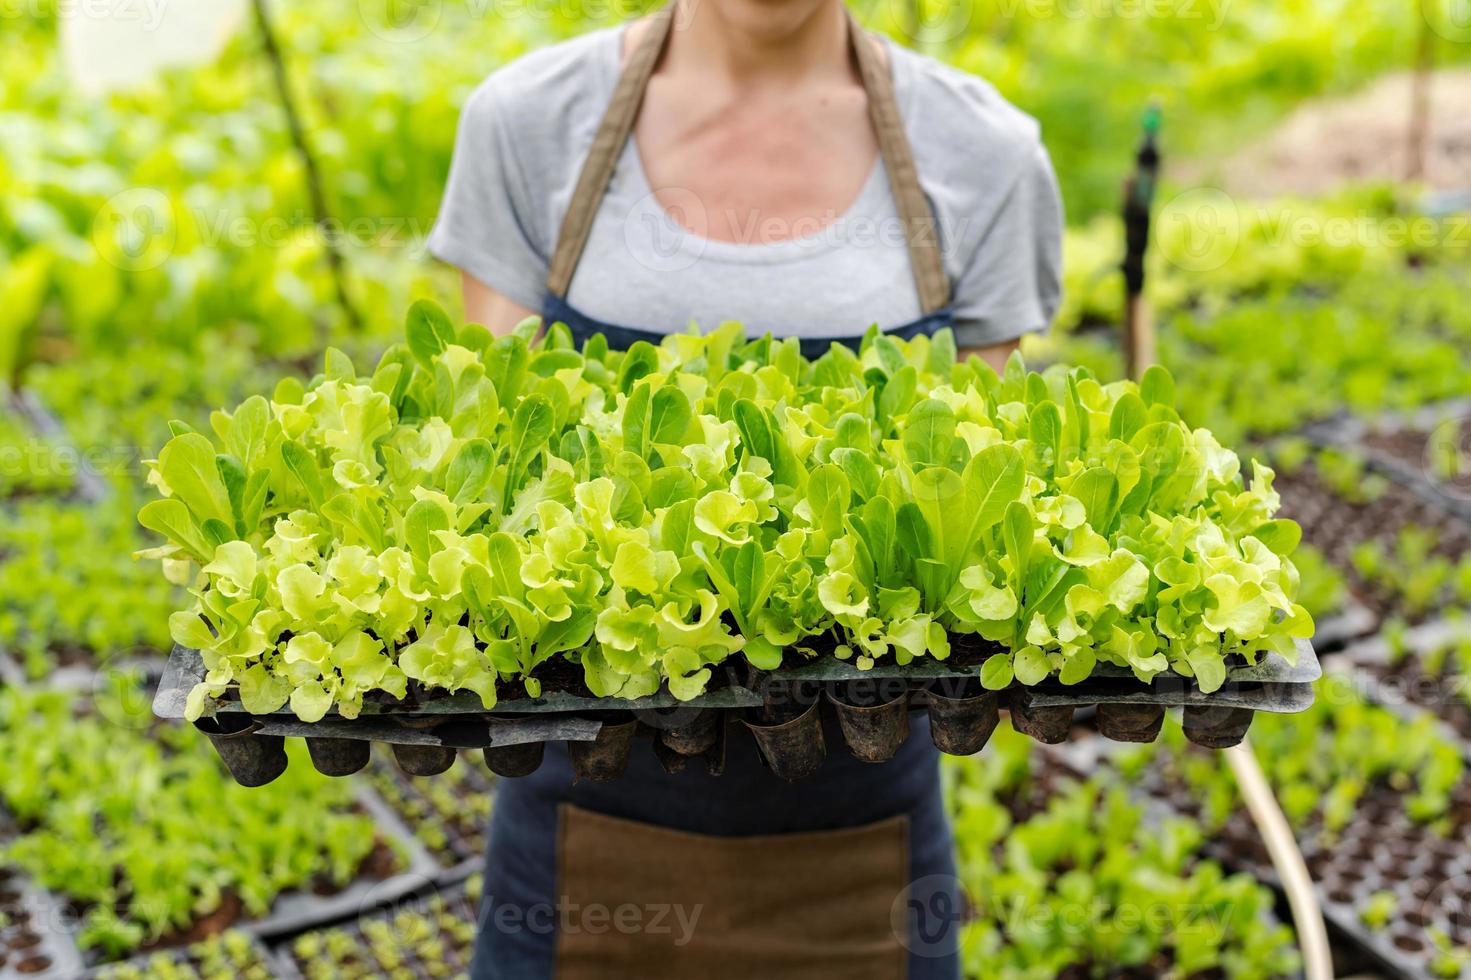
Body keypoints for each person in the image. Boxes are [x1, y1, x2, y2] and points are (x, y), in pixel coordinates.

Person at [426, 1, 1062, 976]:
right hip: (580, 846)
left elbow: (963, 518)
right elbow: (496, 473)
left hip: (863, 861)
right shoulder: (526, 124)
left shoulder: (982, 155)